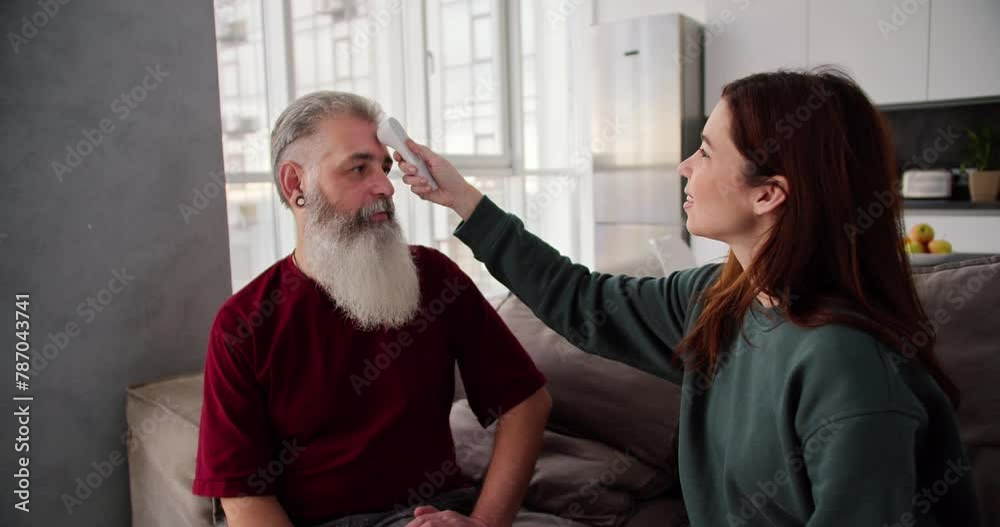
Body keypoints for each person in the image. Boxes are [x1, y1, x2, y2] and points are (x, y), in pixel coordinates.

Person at [396, 69, 982, 526]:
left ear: (769, 194)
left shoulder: (850, 374)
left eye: (705, 150)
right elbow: (583, 302)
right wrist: (464, 200)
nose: (683, 166)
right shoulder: (719, 299)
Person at [192, 91, 552, 527]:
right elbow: (244, 497)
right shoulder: (242, 324)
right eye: (358, 168)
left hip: (439, 512)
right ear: (295, 184)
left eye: (384, 168)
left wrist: (483, 524)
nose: (384, 186)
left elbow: (526, 402)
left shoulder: (435, 278)